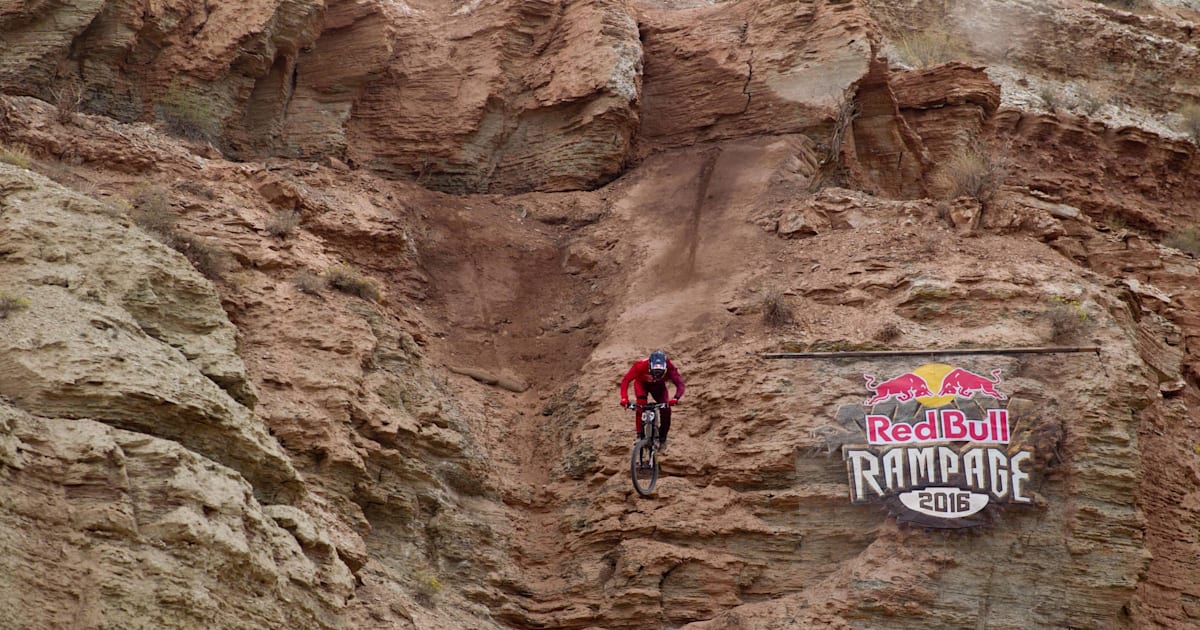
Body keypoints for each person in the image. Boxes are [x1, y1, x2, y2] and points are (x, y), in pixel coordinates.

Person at [619, 350, 685, 452]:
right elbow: (626, 380)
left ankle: (662, 438)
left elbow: (680, 384)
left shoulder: (670, 367)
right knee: (640, 405)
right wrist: (624, 398)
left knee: (666, 410)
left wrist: (676, 398)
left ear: (665, 368)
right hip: (642, 384)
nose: (657, 375)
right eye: (655, 372)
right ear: (650, 366)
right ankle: (639, 435)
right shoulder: (640, 366)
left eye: (660, 373)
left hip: (659, 387)